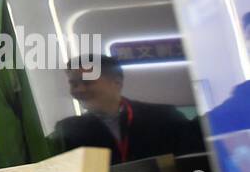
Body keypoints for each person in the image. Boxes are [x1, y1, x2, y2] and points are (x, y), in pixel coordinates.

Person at [49, 54, 204, 165]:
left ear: (116, 83)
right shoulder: (69, 130)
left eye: (87, 82)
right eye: (74, 84)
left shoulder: (164, 117)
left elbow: (194, 163)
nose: (79, 89)